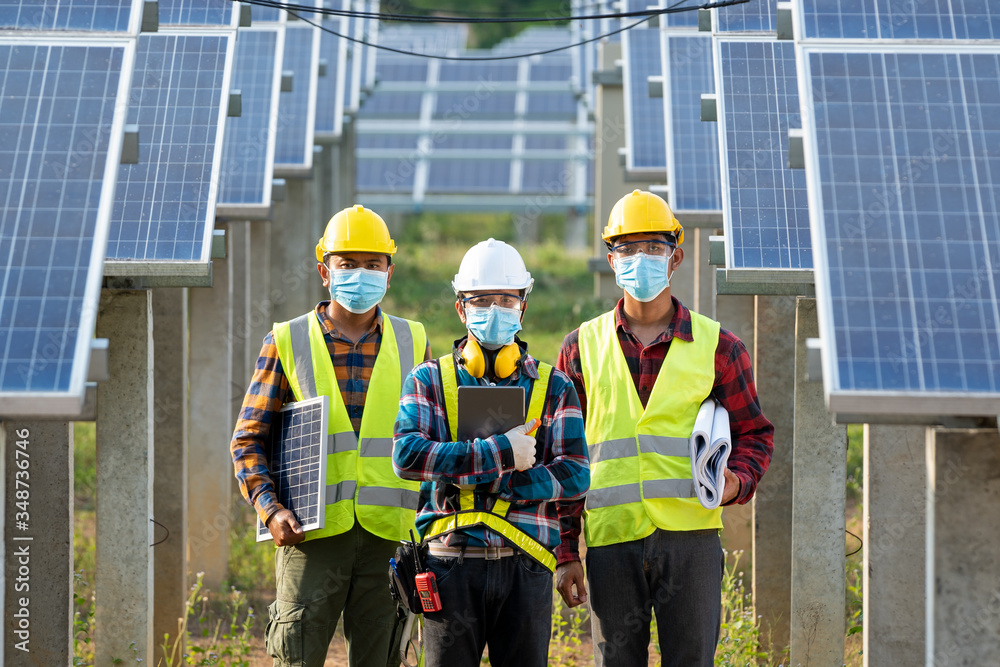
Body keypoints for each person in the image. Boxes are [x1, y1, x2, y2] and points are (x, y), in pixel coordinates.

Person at [554, 190, 774, 667]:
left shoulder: (720, 347)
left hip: (690, 541)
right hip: (612, 541)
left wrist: (737, 479)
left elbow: (755, 434)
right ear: (611, 260)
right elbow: (564, 457)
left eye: (652, 248)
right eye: (627, 249)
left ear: (675, 257)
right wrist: (566, 550)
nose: (640, 260)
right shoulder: (579, 349)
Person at [230, 204, 429, 667]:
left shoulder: (413, 341)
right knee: (297, 656)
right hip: (310, 536)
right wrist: (270, 509)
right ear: (325, 271)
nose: (361, 273)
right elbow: (248, 438)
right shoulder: (287, 340)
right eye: (348, 264)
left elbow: (430, 437)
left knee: (380, 658)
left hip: (390, 538)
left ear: (389, 272)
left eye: (373, 264)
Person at [392, 238, 590, 667]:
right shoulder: (428, 380)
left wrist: (473, 472)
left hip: (527, 564)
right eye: (482, 300)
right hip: (449, 563)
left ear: (523, 305)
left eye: (506, 298)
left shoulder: (554, 386)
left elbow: (576, 473)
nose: (495, 308)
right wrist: (501, 453)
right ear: (461, 308)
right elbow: (407, 456)